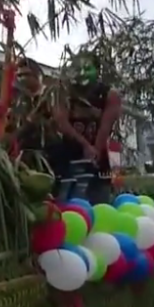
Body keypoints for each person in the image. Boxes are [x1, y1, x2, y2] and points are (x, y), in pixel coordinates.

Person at [52, 51, 121, 204]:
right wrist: (85, 145)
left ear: (97, 70)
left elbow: (106, 127)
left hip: (99, 155)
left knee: (99, 200)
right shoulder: (64, 92)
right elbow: (61, 122)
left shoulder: (110, 95)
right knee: (66, 200)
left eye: (87, 67)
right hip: (69, 153)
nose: (81, 72)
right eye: (77, 67)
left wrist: (95, 150)